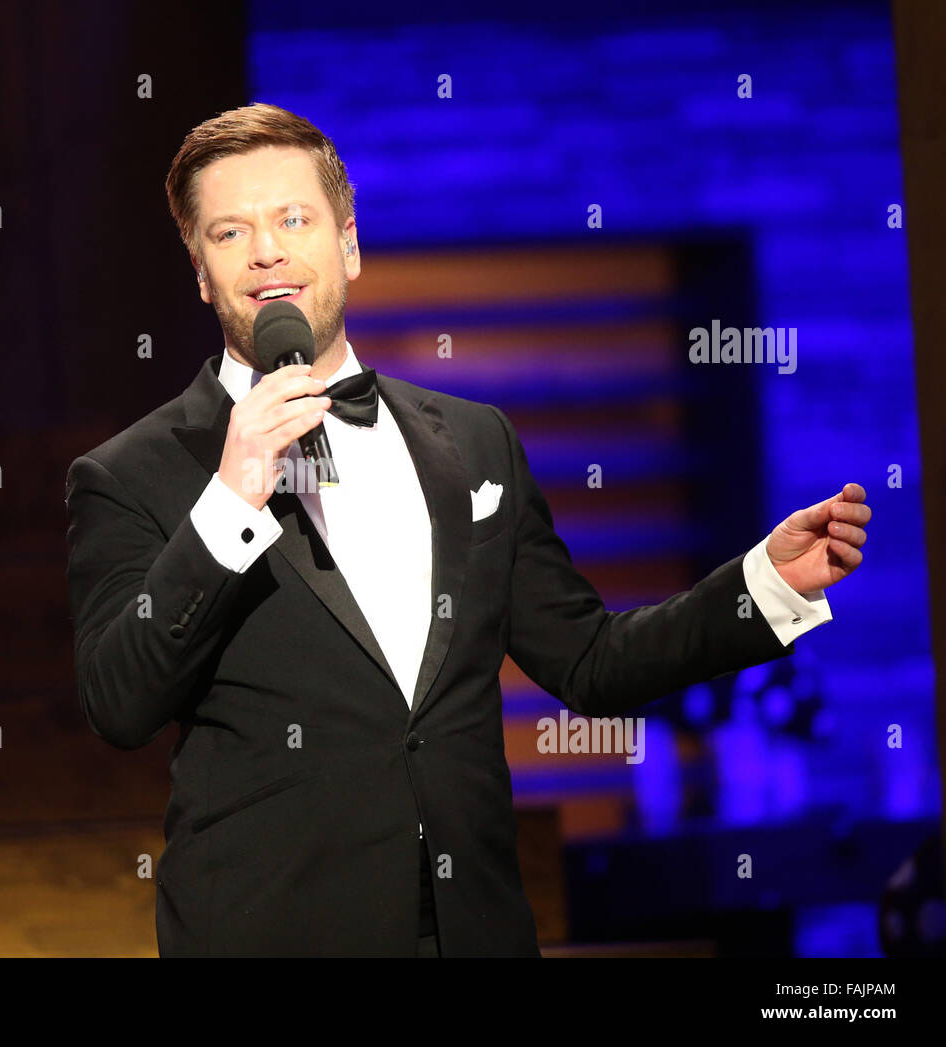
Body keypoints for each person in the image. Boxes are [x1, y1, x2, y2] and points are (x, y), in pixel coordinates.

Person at [63, 103, 871, 957]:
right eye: (230, 232)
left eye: (293, 218)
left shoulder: (475, 440)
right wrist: (230, 497)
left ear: (348, 244)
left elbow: (590, 662)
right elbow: (119, 702)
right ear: (200, 270)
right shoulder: (130, 474)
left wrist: (765, 586)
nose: (267, 250)